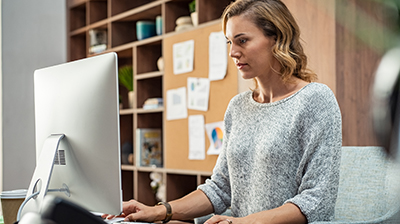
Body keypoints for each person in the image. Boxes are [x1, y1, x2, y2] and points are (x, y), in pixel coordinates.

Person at [104, 0, 342, 223]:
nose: (232, 52)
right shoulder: (238, 107)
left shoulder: (315, 99)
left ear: (276, 37)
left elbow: (316, 201)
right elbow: (220, 188)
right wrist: (159, 211)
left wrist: (242, 222)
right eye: (230, 42)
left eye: (242, 40)